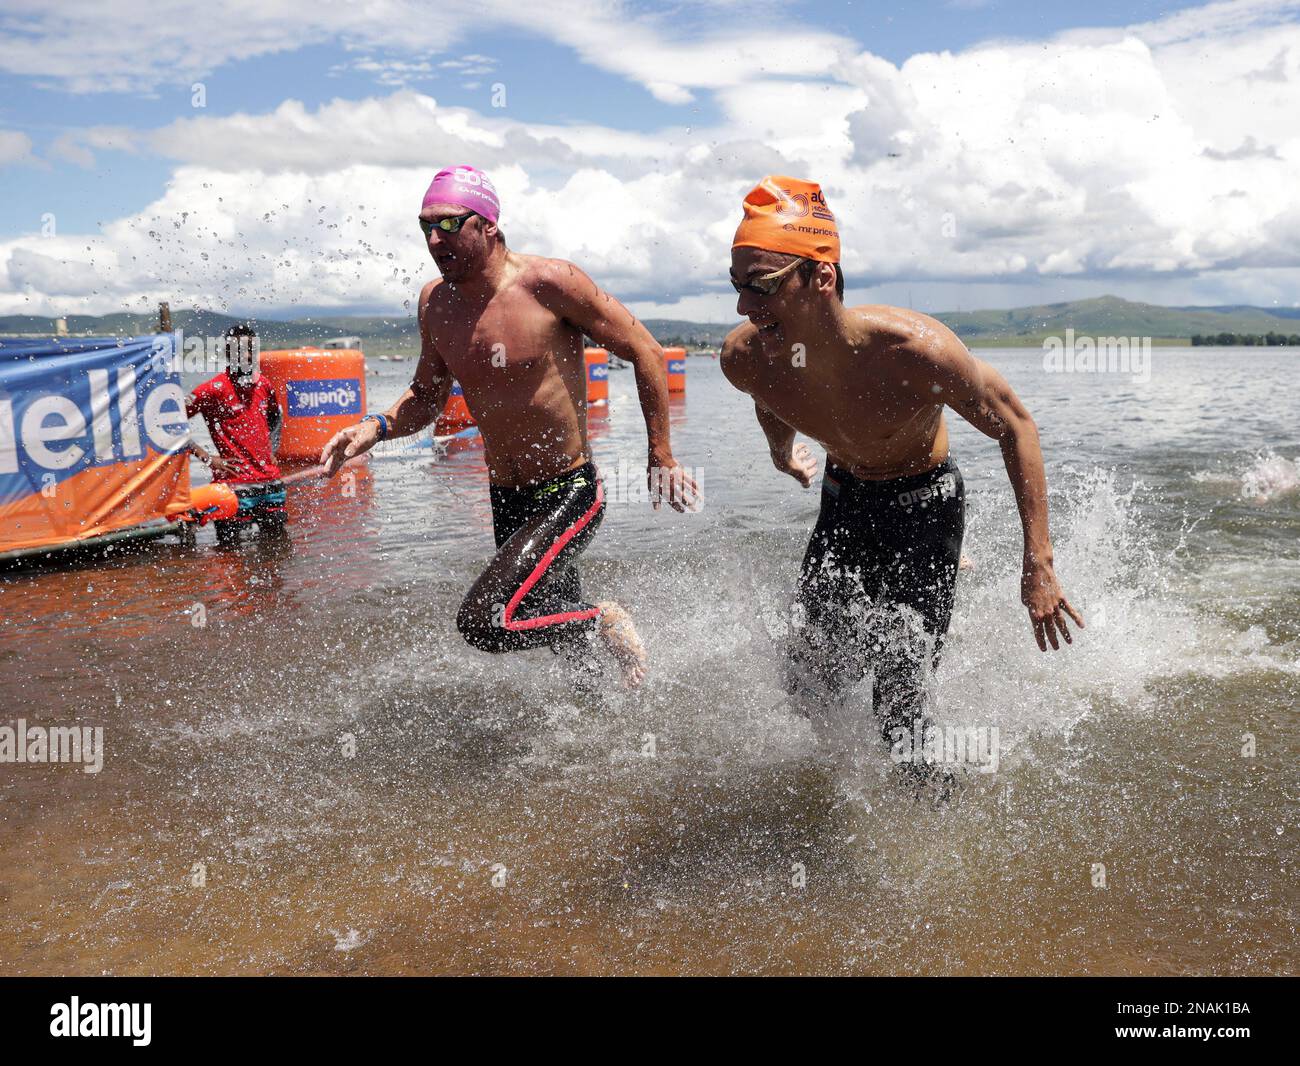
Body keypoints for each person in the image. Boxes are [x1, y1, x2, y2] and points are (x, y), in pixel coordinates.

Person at [720, 175, 1083, 768]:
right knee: (810, 681)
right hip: (844, 501)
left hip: (924, 507)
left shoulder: (914, 353)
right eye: (737, 287)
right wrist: (780, 453)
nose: (744, 307)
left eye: (762, 286)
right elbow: (773, 397)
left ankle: (933, 818)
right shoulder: (746, 357)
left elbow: (1016, 426)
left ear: (822, 277)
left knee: (899, 702)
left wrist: (1038, 564)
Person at [319, 165, 697, 687]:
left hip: (568, 491)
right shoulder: (435, 303)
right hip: (506, 496)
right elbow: (427, 396)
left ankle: (603, 618)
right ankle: (610, 725)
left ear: (488, 226)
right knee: (567, 653)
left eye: (449, 224)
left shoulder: (549, 284)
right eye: (426, 226)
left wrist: (662, 453)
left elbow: (646, 351)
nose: (434, 239)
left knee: (483, 622)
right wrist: (375, 427)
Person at [186, 324, 286, 545]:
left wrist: (273, 449)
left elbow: (276, 417)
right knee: (230, 557)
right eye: (240, 349)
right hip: (233, 488)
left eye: (251, 348)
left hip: (270, 485)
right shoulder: (212, 390)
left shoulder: (264, 384)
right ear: (228, 352)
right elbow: (169, 422)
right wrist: (208, 458)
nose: (247, 355)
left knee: (277, 551)